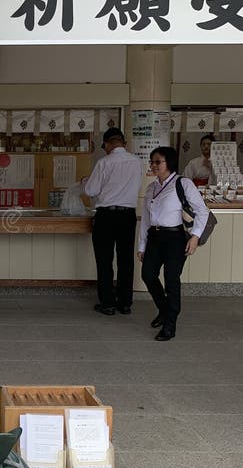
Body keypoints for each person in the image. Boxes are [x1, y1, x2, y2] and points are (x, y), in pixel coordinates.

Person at [138, 146, 209, 341]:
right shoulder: (151, 187)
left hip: (175, 239)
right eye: (152, 162)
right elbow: (145, 217)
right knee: (148, 275)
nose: (153, 165)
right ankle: (164, 310)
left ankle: (170, 325)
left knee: (171, 280)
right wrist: (142, 245)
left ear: (168, 163)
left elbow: (202, 211)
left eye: (157, 162)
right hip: (154, 236)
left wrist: (195, 236)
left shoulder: (182, 183)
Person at [81, 127, 143, 316]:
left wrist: (85, 182)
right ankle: (125, 303)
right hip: (128, 216)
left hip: (106, 216)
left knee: (104, 259)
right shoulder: (138, 162)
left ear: (107, 144)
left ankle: (107, 303)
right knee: (126, 260)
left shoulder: (104, 162)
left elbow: (90, 191)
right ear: (124, 143)